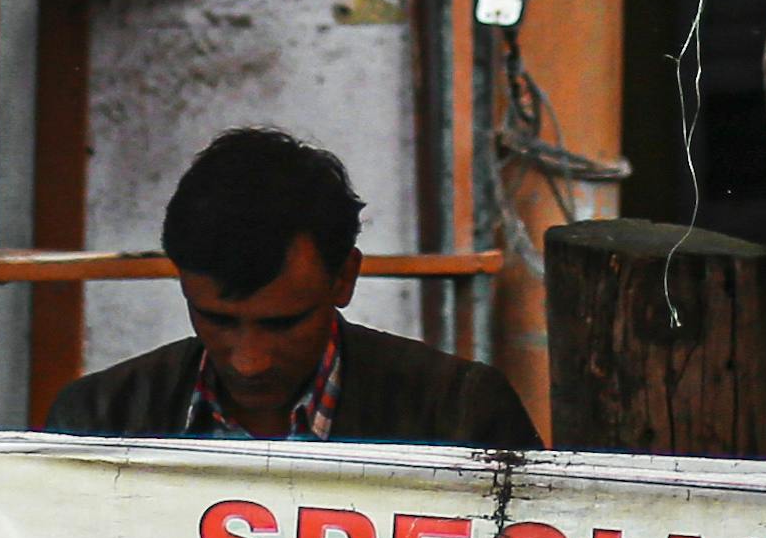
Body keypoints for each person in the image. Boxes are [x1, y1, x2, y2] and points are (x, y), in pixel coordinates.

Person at [43, 124, 536, 449]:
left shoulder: (460, 418)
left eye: (282, 324)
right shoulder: (95, 420)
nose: (248, 360)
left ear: (345, 277)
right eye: (216, 320)